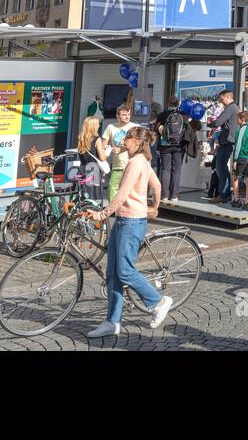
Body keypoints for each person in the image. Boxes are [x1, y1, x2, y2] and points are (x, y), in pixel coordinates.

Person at [85, 128, 172, 338]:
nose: (124, 140)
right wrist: (155, 207)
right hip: (125, 220)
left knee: (123, 271)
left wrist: (102, 214)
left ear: (138, 142)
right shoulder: (142, 161)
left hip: (131, 222)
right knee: (113, 272)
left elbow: (121, 195)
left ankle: (158, 301)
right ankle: (112, 322)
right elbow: (157, 185)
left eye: (128, 138)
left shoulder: (135, 163)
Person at [103, 105, 138, 201]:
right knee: (112, 187)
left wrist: (124, 148)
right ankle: (113, 211)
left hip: (132, 164)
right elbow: (103, 146)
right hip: (117, 165)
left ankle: (128, 211)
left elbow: (142, 145)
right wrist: (111, 148)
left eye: (129, 114)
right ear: (117, 116)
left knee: (131, 190)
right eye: (124, 115)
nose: (127, 117)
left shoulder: (135, 127)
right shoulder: (110, 127)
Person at [207, 90, 237, 202]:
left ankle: (222, 194)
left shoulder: (230, 108)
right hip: (228, 141)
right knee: (223, 168)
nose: (221, 101)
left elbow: (218, 122)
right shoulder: (234, 108)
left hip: (227, 141)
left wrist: (209, 123)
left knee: (220, 168)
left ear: (228, 97)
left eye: (222, 98)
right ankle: (225, 195)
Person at [229, 111, 248, 209]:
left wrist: (235, 160)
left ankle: (236, 200)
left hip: (242, 157)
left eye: (238, 118)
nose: (236, 120)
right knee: (247, 178)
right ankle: (247, 201)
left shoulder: (242, 130)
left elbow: (238, 146)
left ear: (242, 120)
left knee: (235, 177)